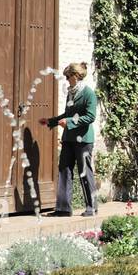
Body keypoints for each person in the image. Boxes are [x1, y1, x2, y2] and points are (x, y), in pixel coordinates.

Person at [41, 62, 99, 217]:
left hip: (83, 140)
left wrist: (70, 122)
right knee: (64, 170)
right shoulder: (71, 93)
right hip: (68, 138)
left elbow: (90, 116)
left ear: (75, 76)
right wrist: (51, 121)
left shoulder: (88, 94)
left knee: (84, 172)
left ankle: (91, 207)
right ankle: (63, 208)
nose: (66, 79)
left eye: (68, 76)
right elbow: (67, 113)